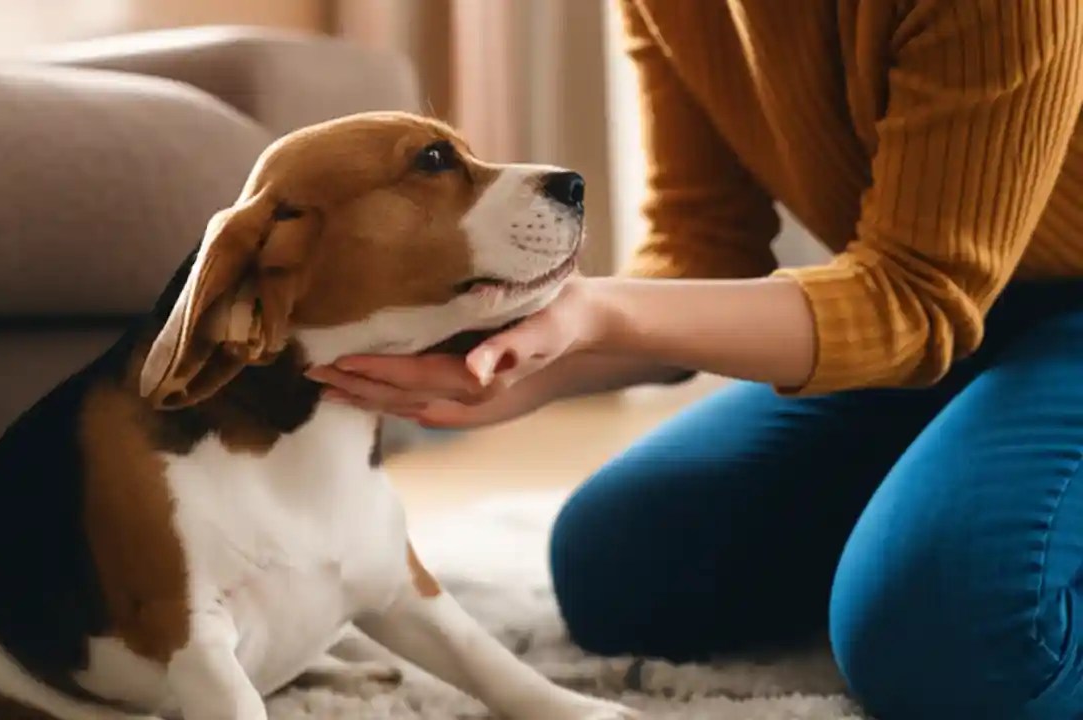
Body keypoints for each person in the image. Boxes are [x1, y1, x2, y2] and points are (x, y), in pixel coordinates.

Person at [305, 2, 1083, 718]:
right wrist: (521, 365)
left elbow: (913, 300)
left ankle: (960, 550)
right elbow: (701, 237)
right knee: (621, 567)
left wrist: (597, 311)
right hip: (942, 316)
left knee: (959, 638)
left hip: (1001, 306)